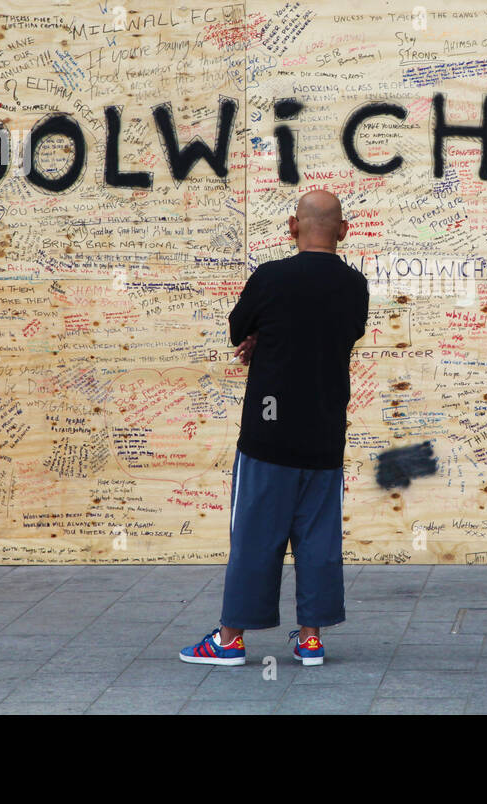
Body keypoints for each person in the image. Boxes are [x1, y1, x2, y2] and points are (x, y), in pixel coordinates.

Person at [181, 190, 369, 666]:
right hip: (325, 435)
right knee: (319, 538)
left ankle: (229, 641)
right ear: (343, 231)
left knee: (254, 536)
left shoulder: (270, 277)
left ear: (292, 227)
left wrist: (262, 337)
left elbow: (237, 327)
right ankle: (310, 639)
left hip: (269, 434)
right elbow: (341, 333)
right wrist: (273, 335)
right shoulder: (355, 286)